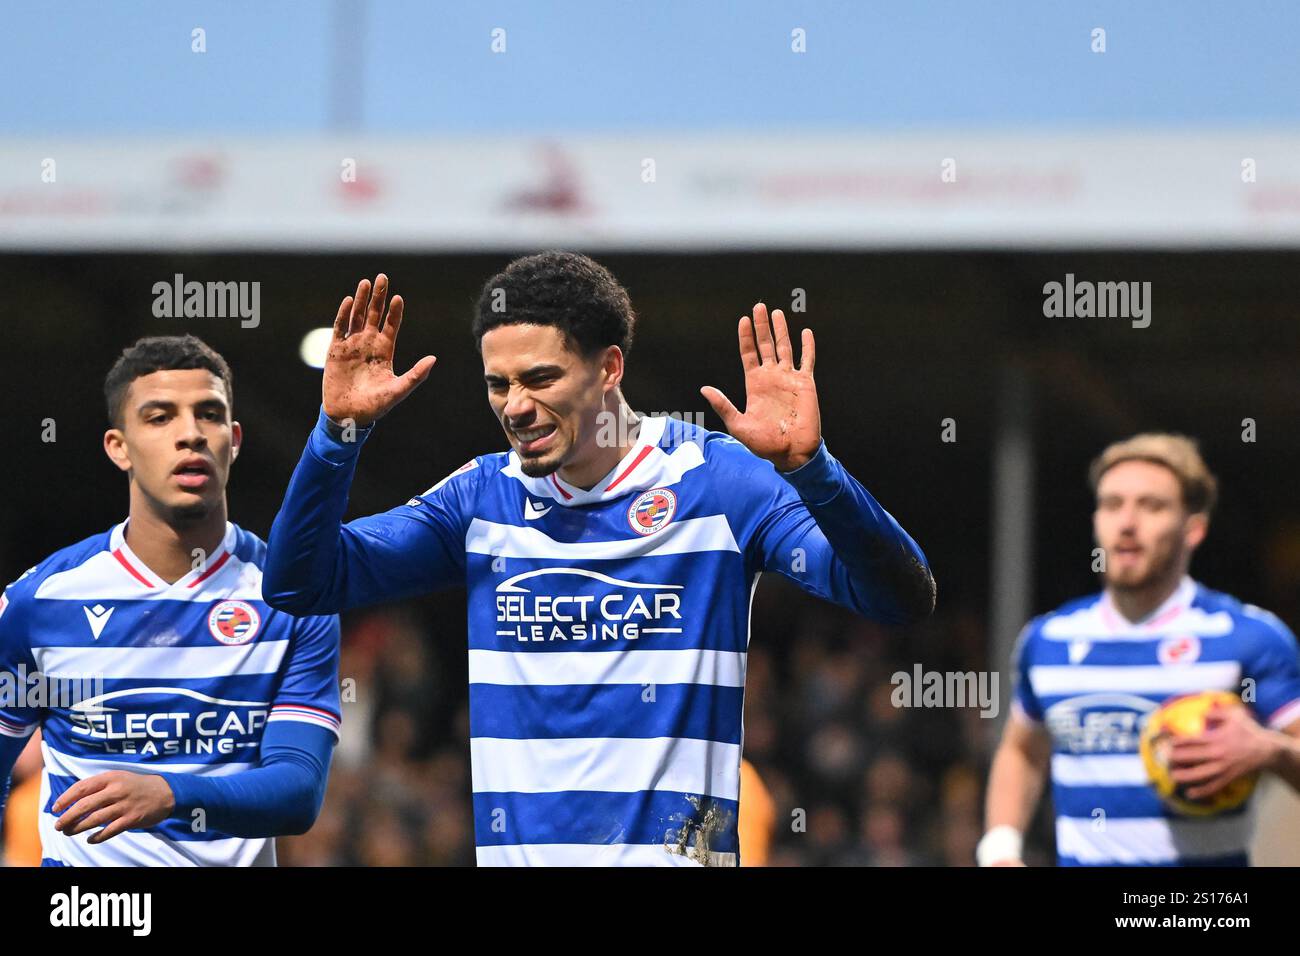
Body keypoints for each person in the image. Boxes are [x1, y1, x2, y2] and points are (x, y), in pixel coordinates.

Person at [263, 253, 935, 866]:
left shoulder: (716, 483)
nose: (516, 407)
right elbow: (299, 582)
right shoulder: (481, 501)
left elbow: (899, 597)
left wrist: (815, 474)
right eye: (498, 384)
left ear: (609, 367)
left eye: (541, 378)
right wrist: (336, 435)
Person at [0, 335, 341, 866]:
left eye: (208, 415)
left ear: (233, 439)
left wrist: (168, 794)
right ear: (119, 447)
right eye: (160, 418)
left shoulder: (294, 600)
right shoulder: (39, 602)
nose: (190, 435)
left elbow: (297, 792)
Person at [981, 434, 1300, 866]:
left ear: (1194, 528)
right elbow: (1022, 750)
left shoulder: (1249, 637)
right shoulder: (1048, 639)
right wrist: (1000, 850)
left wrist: (1270, 750)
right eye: (1112, 504)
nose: (1127, 522)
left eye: (1151, 505)